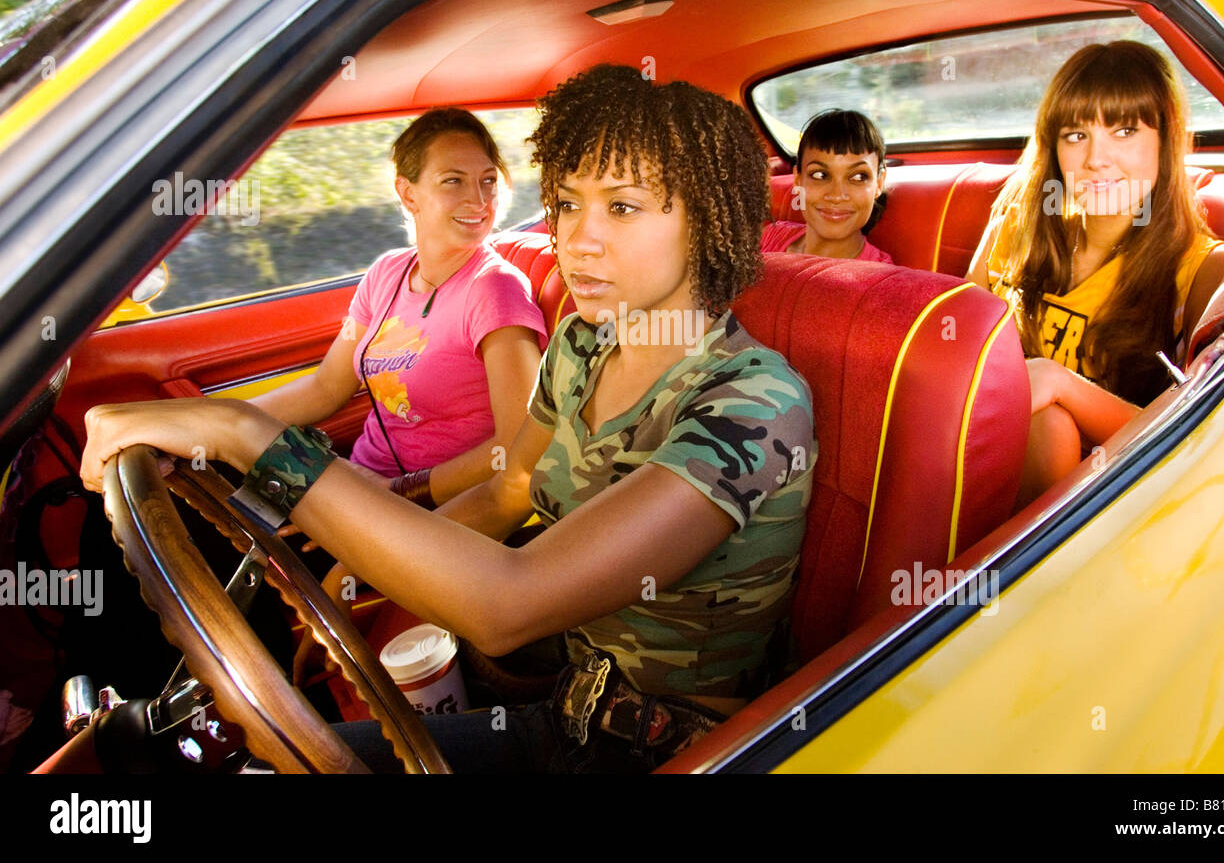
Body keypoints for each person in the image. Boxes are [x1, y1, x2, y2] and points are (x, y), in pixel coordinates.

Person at [80, 64, 818, 773]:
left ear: (707, 221)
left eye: (621, 207)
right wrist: (354, 582)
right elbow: (509, 488)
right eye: (565, 203)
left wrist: (242, 435)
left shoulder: (753, 404)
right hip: (563, 705)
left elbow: (510, 604)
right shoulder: (585, 342)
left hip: (673, 749)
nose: (577, 240)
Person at [237, 108, 548, 680]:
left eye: (488, 180)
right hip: (349, 480)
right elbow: (327, 387)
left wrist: (398, 494)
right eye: (452, 180)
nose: (478, 199)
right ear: (408, 193)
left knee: (254, 601)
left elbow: (520, 448)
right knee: (215, 525)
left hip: (416, 507)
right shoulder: (385, 274)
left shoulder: (495, 290)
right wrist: (215, 424)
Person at [966, 41, 1224, 505]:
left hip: (1102, 506)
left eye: (1125, 130)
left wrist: (1059, 384)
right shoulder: (1013, 228)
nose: (1096, 159)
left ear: (1165, 139)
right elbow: (959, 351)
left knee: (1050, 427)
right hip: (975, 453)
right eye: (1076, 135)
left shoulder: (1206, 271)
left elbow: (1202, 437)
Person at [761, 109, 894, 263]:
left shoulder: (884, 280)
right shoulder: (769, 238)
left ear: (878, 183)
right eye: (820, 175)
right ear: (798, 179)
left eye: (858, 177)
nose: (836, 195)